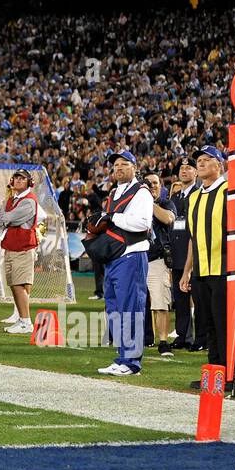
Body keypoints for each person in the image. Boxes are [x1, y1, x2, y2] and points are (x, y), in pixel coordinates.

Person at [180, 145, 235, 396]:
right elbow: (192, 238)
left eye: (208, 159)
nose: (201, 163)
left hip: (223, 269)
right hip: (201, 271)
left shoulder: (230, 192)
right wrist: (187, 271)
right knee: (207, 326)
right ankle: (215, 375)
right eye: (199, 160)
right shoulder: (193, 197)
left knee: (223, 324)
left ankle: (232, 375)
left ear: (220, 165)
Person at [95, 150, 152, 376]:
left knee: (131, 308)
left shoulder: (142, 192)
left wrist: (112, 217)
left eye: (124, 164)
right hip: (115, 257)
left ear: (134, 167)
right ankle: (122, 357)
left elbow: (142, 223)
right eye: (116, 164)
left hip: (132, 255)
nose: (118, 168)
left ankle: (132, 362)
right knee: (114, 308)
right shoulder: (114, 193)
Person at [0, 168, 38, 334]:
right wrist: (4, 217)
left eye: (22, 178)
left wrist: (5, 217)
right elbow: (0, 219)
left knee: (19, 284)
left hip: (22, 248)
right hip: (12, 246)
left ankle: (26, 322)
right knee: (15, 285)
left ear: (29, 182)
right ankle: (21, 318)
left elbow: (6, 218)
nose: (18, 180)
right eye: (16, 178)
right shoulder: (12, 199)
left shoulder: (28, 201)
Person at [166, 159, 197, 349]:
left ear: (195, 173)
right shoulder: (175, 198)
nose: (184, 171)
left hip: (194, 256)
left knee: (199, 299)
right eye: (182, 169)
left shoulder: (199, 194)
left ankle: (200, 338)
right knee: (180, 300)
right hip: (177, 256)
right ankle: (182, 335)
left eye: (188, 168)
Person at [146, 171, 176, 356]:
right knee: (137, 303)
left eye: (155, 183)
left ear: (161, 186)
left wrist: (148, 201)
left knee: (159, 302)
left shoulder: (165, 203)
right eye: (148, 183)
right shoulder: (136, 203)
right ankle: (142, 338)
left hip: (157, 259)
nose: (152, 186)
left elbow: (168, 218)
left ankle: (163, 341)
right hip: (138, 257)